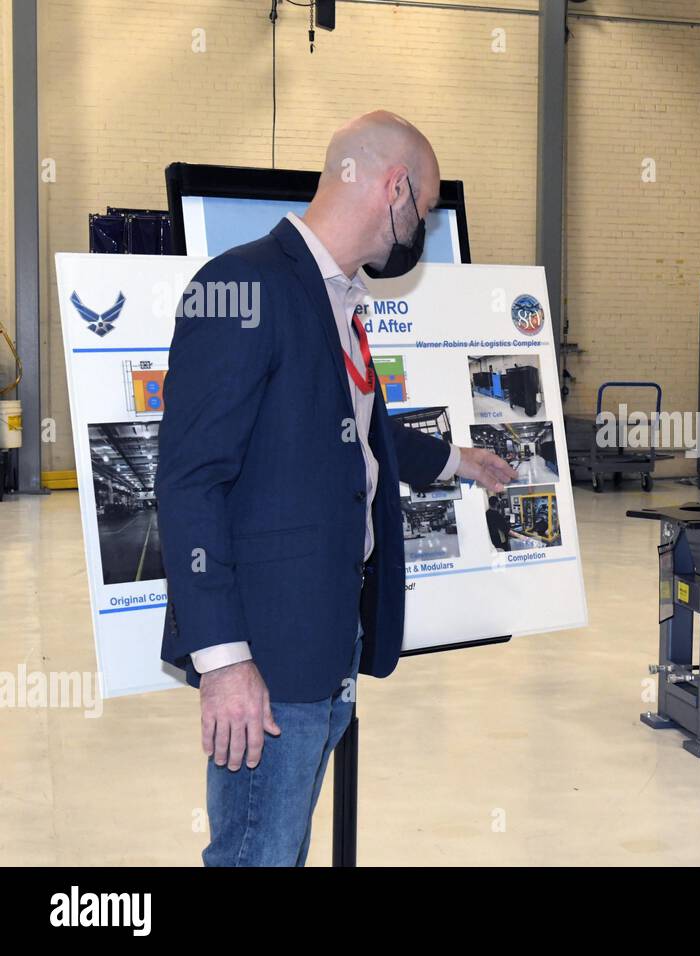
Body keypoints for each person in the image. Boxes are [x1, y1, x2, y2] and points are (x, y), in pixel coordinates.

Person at [157, 111, 517, 866]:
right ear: (395, 188)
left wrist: (459, 462)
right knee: (256, 853)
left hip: (329, 639)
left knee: (280, 849)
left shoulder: (338, 300)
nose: (416, 229)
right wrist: (223, 664)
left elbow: (358, 440)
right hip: (268, 652)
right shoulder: (241, 285)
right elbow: (191, 482)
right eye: (420, 213)